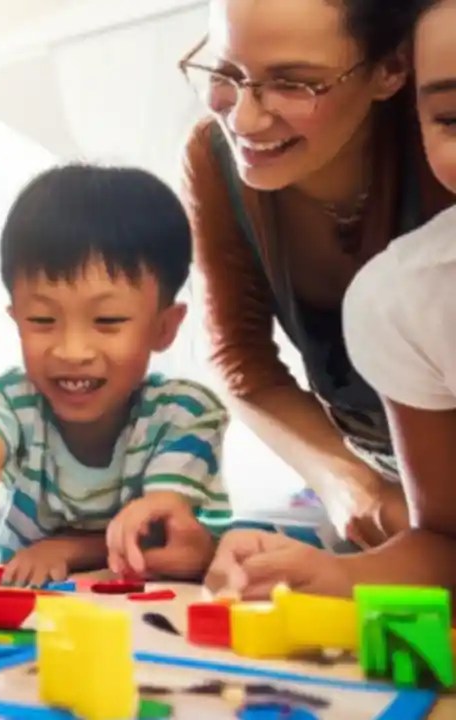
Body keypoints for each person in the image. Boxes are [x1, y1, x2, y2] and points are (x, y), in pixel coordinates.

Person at [0, 165, 230, 633]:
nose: (72, 351)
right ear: (15, 318)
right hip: (12, 633)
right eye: (43, 321)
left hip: (142, 637)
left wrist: (67, 549)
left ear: (164, 327)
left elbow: (155, 531)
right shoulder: (7, 401)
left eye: (108, 321)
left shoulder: (184, 415)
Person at [181, 0, 453, 550]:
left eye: (293, 83)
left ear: (391, 70)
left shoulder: (441, 150)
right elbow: (241, 360)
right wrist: (347, 483)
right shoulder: (212, 158)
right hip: (383, 484)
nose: (244, 118)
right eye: (226, 72)